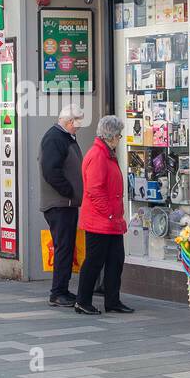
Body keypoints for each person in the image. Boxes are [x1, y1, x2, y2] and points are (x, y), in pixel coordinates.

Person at [75, 116, 132, 316]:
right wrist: (109, 213)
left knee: (115, 260)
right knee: (94, 261)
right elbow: (94, 190)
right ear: (112, 136)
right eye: (119, 135)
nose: (120, 138)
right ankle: (82, 301)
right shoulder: (99, 155)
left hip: (111, 220)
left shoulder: (106, 153)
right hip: (100, 220)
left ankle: (113, 300)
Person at [40, 105, 85, 307]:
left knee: (66, 247)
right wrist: (69, 191)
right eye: (77, 124)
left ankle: (62, 290)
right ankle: (58, 292)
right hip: (60, 204)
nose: (78, 128)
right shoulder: (54, 138)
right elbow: (51, 171)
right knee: (64, 247)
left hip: (66, 203)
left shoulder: (64, 137)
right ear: (69, 122)